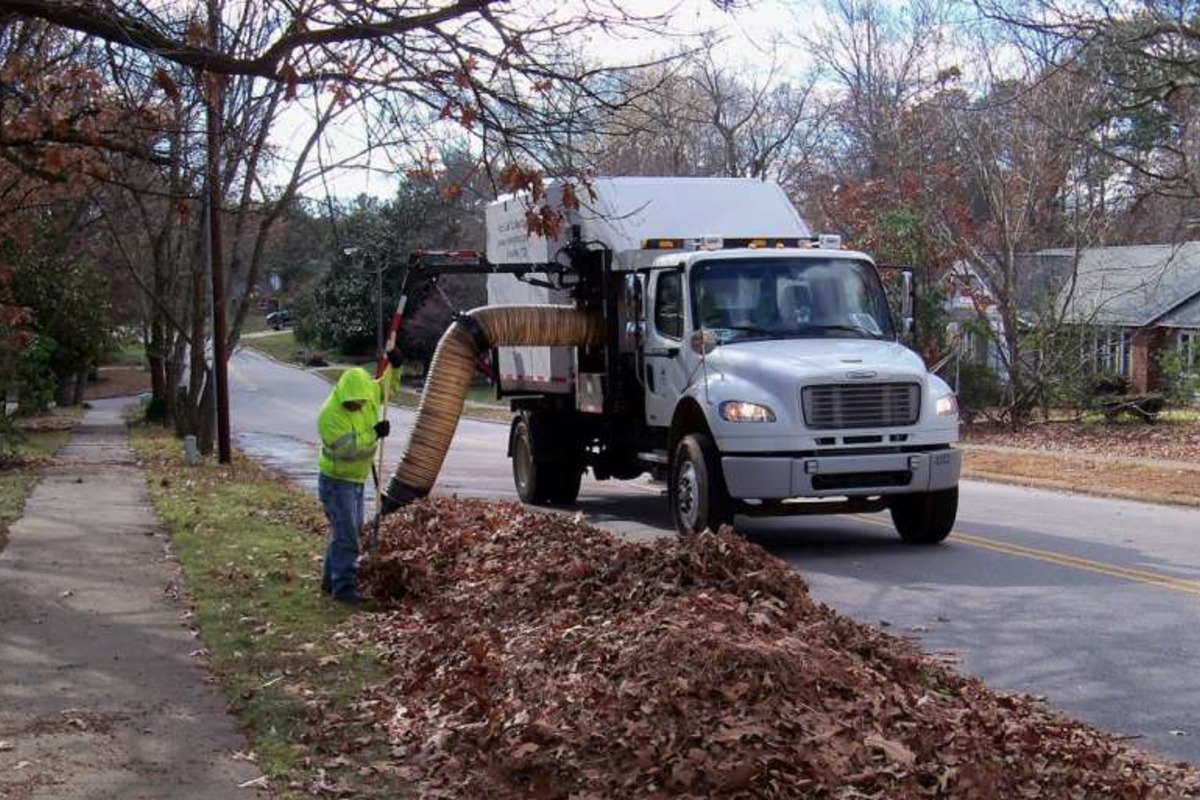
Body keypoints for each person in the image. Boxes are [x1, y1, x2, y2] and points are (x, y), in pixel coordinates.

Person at [317, 351, 402, 604]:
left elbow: (386, 388)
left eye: (361, 403)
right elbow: (348, 450)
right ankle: (343, 588)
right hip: (336, 482)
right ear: (344, 396)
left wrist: (395, 366)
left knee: (344, 531)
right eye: (352, 404)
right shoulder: (329, 415)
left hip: (356, 480)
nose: (358, 407)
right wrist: (375, 434)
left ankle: (330, 581)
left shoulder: (368, 393)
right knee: (348, 535)